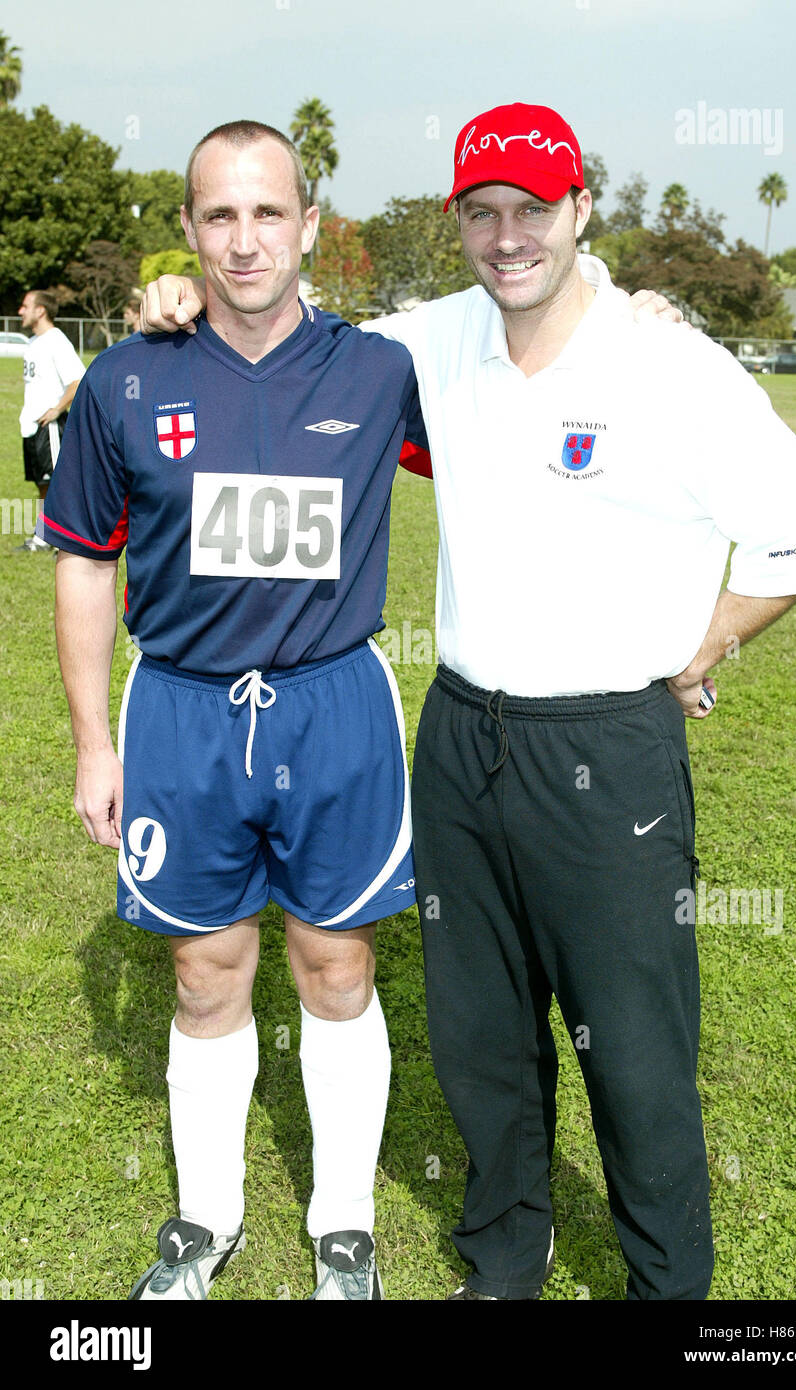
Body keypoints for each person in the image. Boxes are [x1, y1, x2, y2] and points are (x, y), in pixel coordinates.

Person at [143, 102, 796, 1303]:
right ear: (460, 223)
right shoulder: (428, 340)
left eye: (535, 207)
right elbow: (280, 326)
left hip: (607, 745)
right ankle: (501, 1263)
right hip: (462, 734)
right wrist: (177, 297)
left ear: (580, 209)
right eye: (484, 211)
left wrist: (707, 641)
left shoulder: (665, 360)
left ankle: (667, 1286)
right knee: (480, 1038)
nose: (509, 234)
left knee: (631, 1049)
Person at [39, 119, 429, 1301]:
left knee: (335, 967)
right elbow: (80, 560)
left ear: (310, 225)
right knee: (205, 972)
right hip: (183, 712)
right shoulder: (125, 378)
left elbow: (533, 419)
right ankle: (203, 1222)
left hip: (334, 707)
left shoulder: (380, 372)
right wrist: (94, 739)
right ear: (190, 228)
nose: (245, 239)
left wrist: (633, 316)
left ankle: (344, 1228)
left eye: (269, 213)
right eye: (220, 215)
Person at [14, 289, 84, 553]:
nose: (20, 311)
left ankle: (66, 536)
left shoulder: (56, 341)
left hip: (49, 426)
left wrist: (56, 410)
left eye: (25, 306)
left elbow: (78, 381)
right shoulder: (33, 343)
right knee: (42, 482)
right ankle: (44, 536)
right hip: (31, 424)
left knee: (57, 482)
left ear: (40, 310)